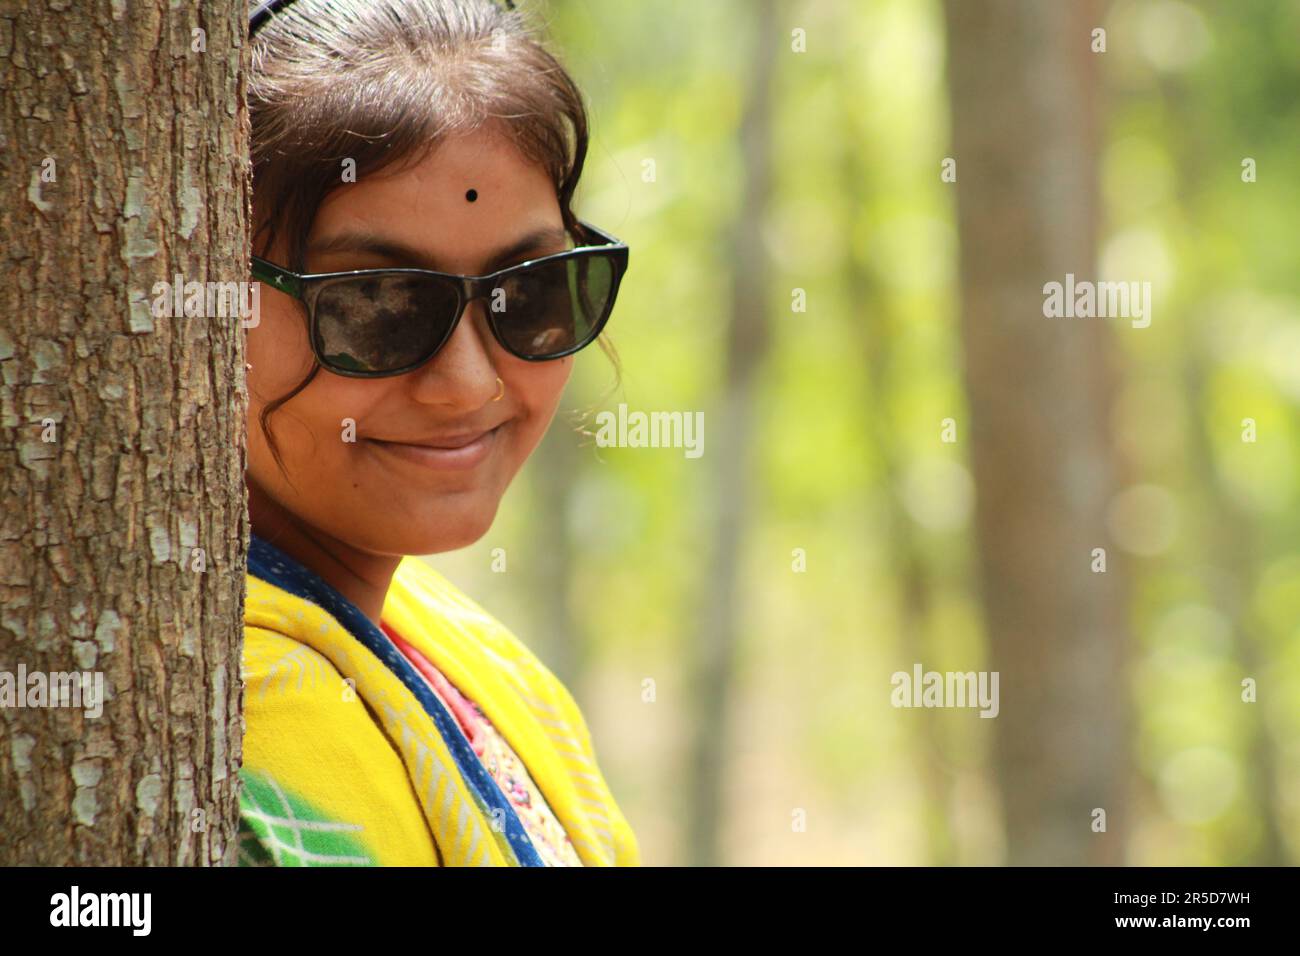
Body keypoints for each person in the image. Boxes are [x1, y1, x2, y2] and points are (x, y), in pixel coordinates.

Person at [237, 0, 639, 866]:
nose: (468, 385)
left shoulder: (470, 660)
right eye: (376, 305)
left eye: (525, 294)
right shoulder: (210, 718)